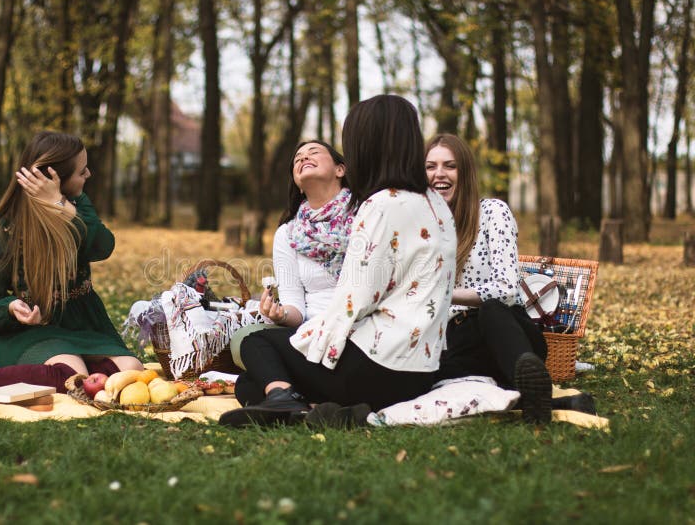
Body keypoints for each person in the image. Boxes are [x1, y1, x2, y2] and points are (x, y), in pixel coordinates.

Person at [219, 95, 457, 427]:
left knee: (259, 343)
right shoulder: (436, 204)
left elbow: (353, 303)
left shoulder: (378, 206)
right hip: (423, 368)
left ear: (366, 145)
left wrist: (305, 340)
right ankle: (326, 408)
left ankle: (288, 401)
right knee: (252, 381)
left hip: (380, 365)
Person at [0, 131, 143, 395]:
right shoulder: (6, 230)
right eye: (82, 171)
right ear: (55, 178)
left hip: (85, 323)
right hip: (31, 331)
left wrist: (61, 206)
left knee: (132, 372)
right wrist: (12, 308)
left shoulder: (78, 205)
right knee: (72, 376)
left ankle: (67, 369)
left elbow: (103, 247)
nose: (88, 174)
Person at [425, 133, 554, 423]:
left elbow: (507, 289)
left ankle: (531, 386)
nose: (439, 174)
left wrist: (442, 292)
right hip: (456, 343)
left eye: (450, 166)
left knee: (491, 310)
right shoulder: (422, 227)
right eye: (430, 167)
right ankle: (521, 395)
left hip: (507, 333)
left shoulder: (492, 212)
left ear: (466, 172)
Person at [228, 140, 352, 386]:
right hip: (310, 332)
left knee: (251, 386)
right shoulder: (288, 233)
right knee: (244, 344)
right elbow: (295, 305)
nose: (304, 157)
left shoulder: (366, 215)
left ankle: (287, 392)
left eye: (314, 152)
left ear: (340, 169)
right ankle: (299, 392)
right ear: (297, 183)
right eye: (298, 159)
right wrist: (281, 314)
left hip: (358, 328)